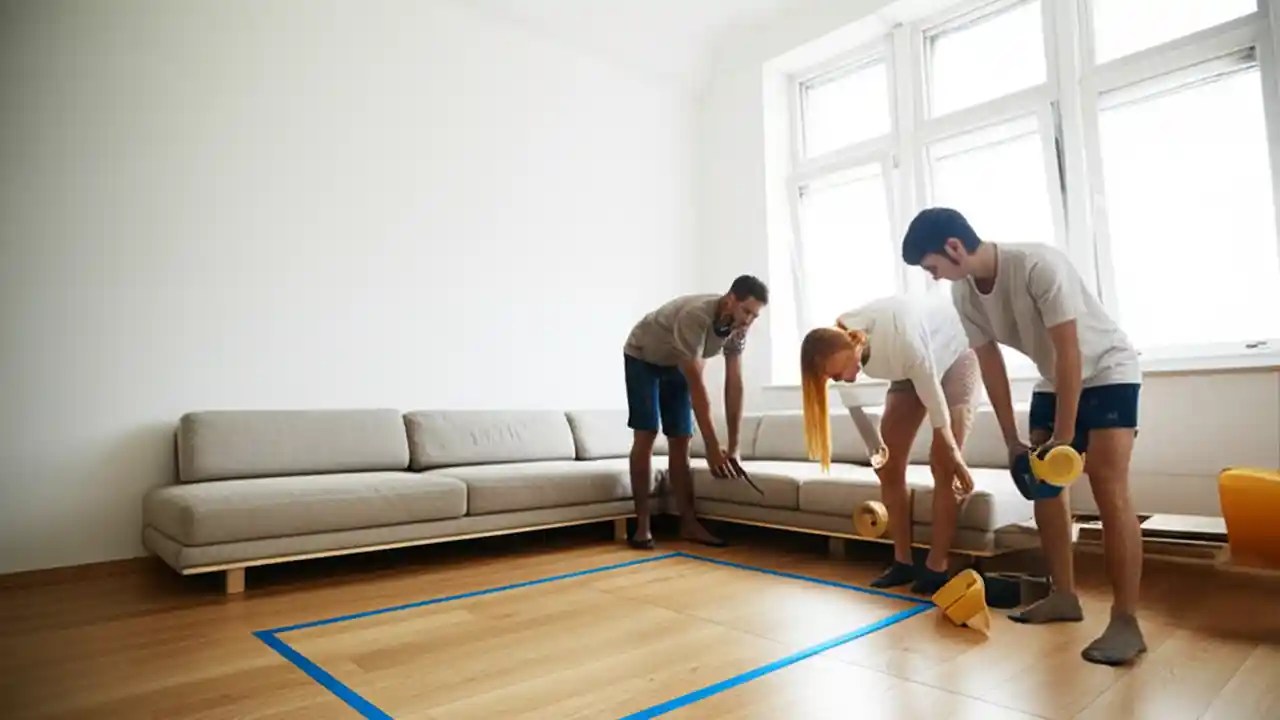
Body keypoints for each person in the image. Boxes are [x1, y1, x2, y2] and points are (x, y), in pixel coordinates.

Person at [902, 207, 1145, 666]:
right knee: (1044, 486)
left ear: (954, 248)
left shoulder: (1037, 265)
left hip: (1108, 368)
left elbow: (1070, 350)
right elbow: (990, 365)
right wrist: (1014, 439)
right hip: (1054, 379)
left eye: (932, 267)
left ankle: (1126, 621)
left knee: (1109, 488)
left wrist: (1066, 435)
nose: (934, 277)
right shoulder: (964, 294)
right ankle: (1064, 597)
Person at [800, 292, 979, 595]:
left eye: (835, 374)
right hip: (912, 368)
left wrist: (955, 456)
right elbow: (914, 377)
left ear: (843, 349)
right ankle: (903, 562)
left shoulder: (900, 339)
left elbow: (935, 403)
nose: (846, 381)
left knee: (944, 463)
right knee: (887, 465)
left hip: (956, 355)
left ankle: (937, 567)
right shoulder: (850, 334)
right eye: (834, 379)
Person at [622, 275, 768, 549]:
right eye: (747, 311)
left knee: (681, 438)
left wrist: (734, 447)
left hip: (675, 362)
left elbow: (734, 384)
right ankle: (642, 526)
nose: (749, 320)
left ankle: (688, 523)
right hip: (643, 356)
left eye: (755, 315)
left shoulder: (738, 328)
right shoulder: (695, 317)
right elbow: (698, 388)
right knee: (647, 432)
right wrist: (713, 447)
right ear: (729, 300)